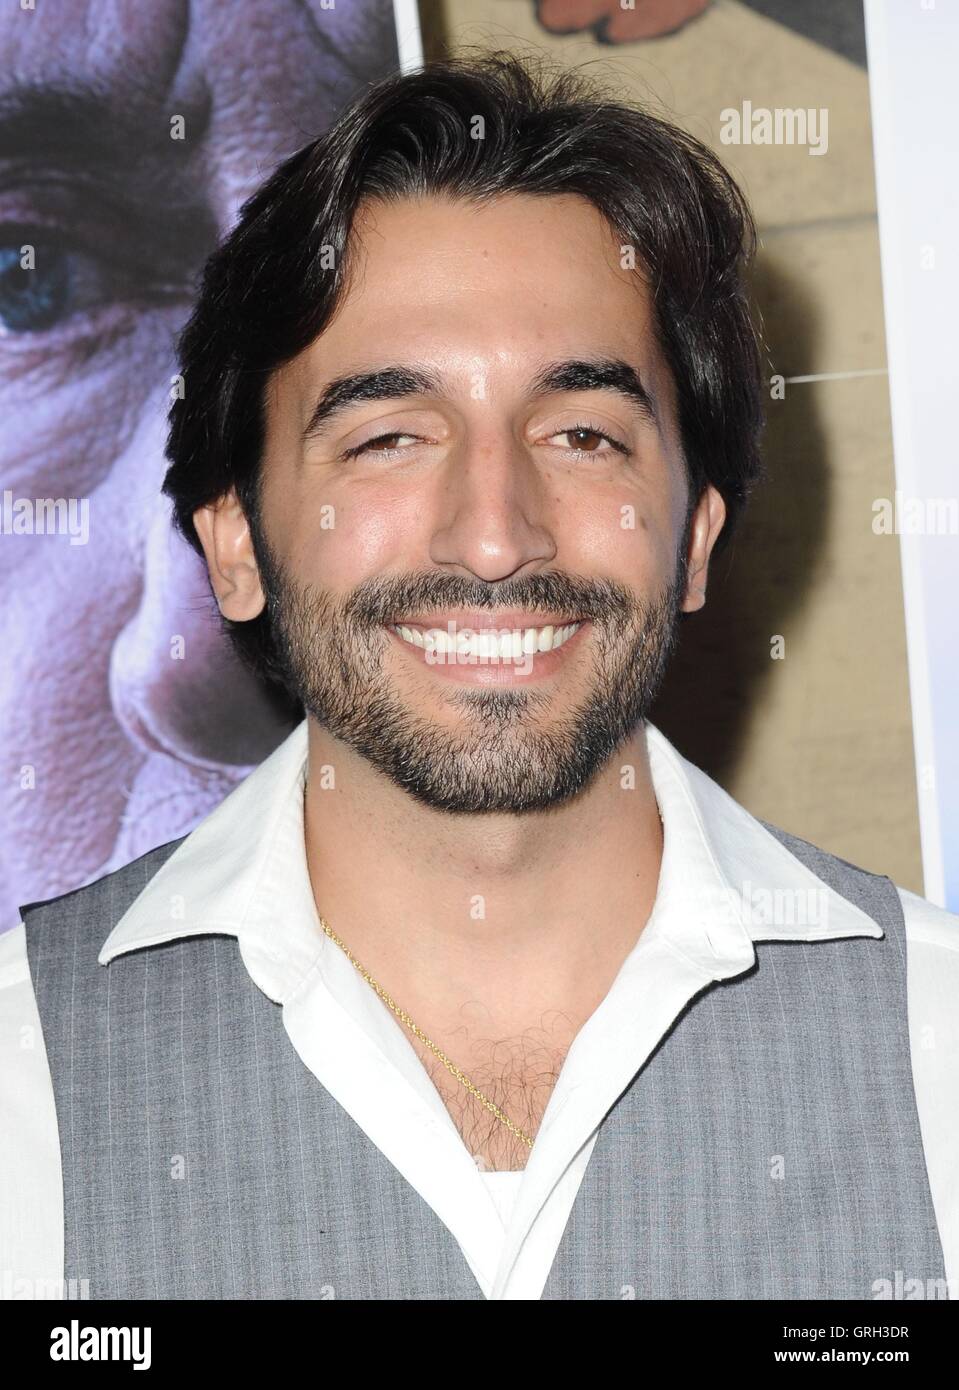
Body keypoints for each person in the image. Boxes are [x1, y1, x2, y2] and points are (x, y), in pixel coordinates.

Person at [2, 52, 957, 1302]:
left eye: (582, 434)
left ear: (696, 539)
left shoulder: (936, 1055)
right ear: (234, 542)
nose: (495, 532)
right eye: (389, 436)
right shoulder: (21, 1079)